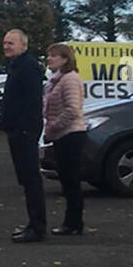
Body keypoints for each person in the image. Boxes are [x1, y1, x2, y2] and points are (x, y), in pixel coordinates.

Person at [1, 29, 47, 242]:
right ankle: (33, 222)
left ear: (23, 45)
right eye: (5, 43)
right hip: (17, 130)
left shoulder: (28, 68)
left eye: (11, 43)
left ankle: (37, 227)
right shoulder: (16, 66)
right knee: (26, 179)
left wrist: (24, 128)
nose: (6, 46)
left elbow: (32, 102)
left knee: (31, 178)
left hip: (25, 130)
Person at [43, 43, 87, 235]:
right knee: (68, 181)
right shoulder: (58, 80)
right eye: (48, 56)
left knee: (71, 181)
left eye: (53, 56)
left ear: (65, 59)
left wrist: (54, 126)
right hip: (63, 135)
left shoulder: (69, 80)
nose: (49, 59)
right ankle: (72, 222)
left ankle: (74, 223)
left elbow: (72, 109)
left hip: (70, 135)